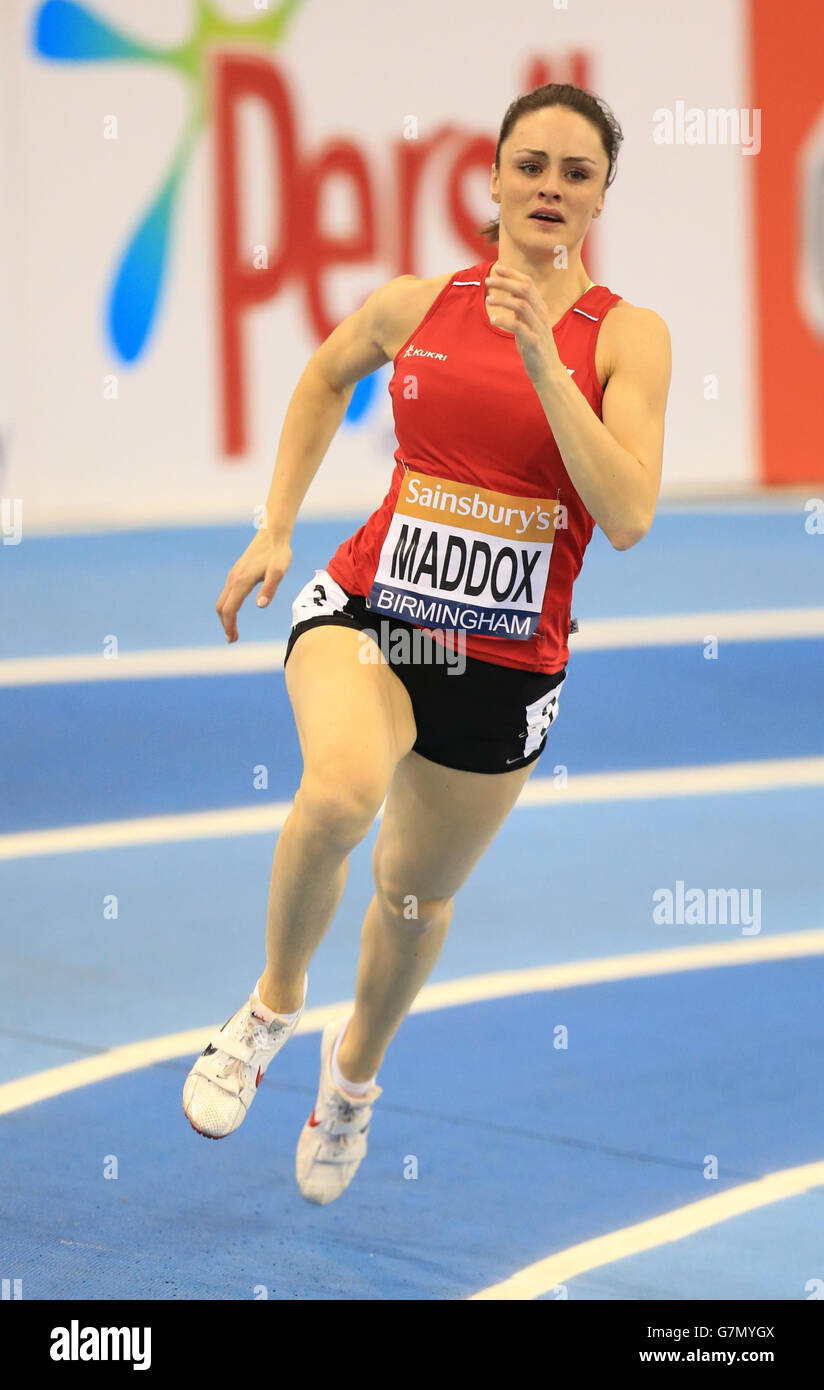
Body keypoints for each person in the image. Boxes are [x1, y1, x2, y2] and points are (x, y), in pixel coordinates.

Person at [182, 82, 672, 1206]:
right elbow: (321, 373)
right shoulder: (416, 302)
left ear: (599, 198)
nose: (549, 187)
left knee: (411, 900)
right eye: (530, 165)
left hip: (502, 670)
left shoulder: (624, 338)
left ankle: (351, 1081)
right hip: (371, 609)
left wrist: (544, 360)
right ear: (491, 180)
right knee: (341, 791)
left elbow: (629, 512)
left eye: (576, 173)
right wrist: (274, 526)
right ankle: (268, 1005)